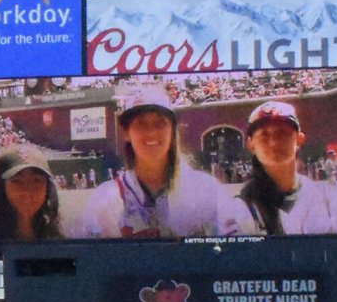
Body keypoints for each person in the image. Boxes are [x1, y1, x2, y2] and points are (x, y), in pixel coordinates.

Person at [80, 85, 236, 240]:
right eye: (141, 124)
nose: (151, 133)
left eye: (160, 123)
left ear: (173, 130)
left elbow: (237, 250)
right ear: (127, 132)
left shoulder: (206, 189)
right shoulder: (105, 199)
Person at [231, 101, 337, 235]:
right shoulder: (242, 207)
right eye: (264, 136)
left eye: (282, 134)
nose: (273, 143)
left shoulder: (325, 197)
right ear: (251, 144)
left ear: (299, 139)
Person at [0, 153, 63, 241]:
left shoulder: (65, 244)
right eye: (17, 181)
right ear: (1, 188)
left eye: (36, 180)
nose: (27, 190)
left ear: (48, 188)